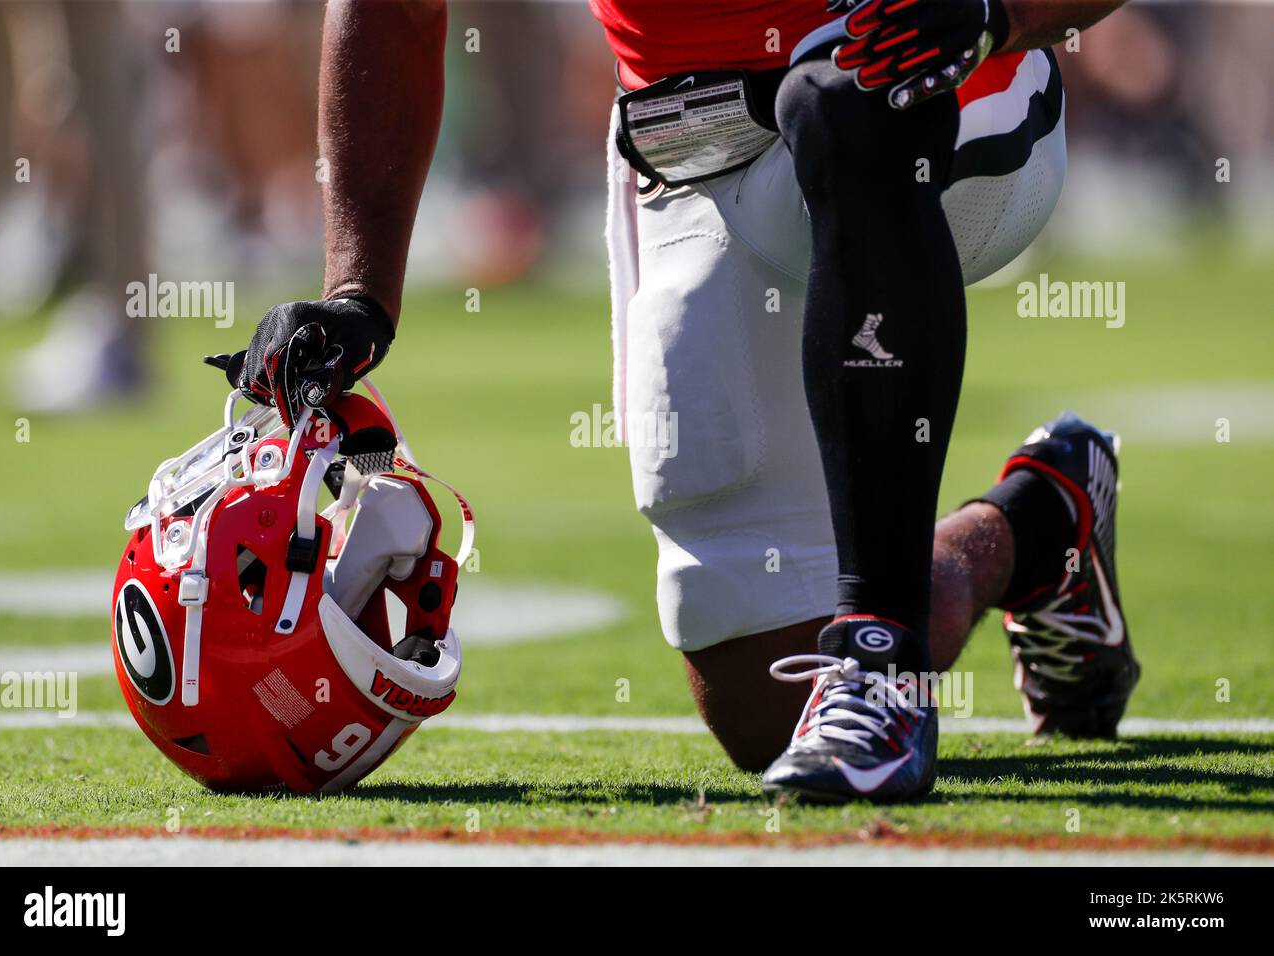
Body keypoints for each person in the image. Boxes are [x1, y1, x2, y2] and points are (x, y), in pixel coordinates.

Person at [221, 0, 1140, 804]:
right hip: (698, 134)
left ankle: (881, 663)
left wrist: (1003, 12)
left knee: (845, 98)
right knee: (766, 698)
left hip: (936, 92)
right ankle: (1041, 521)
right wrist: (358, 295)